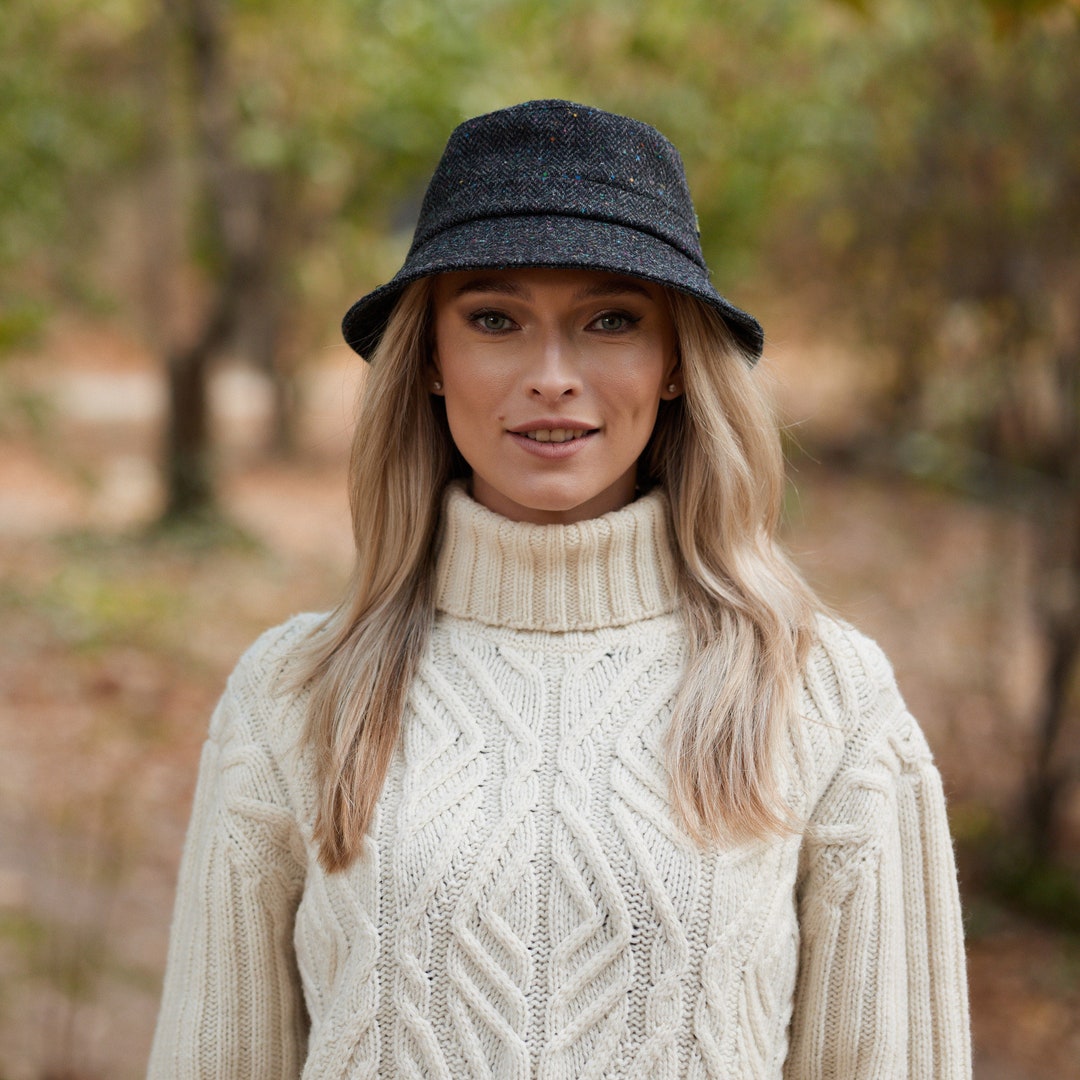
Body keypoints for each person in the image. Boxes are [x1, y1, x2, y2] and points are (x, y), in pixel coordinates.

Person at [148, 100, 971, 1079]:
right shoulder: (292, 694)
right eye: (495, 320)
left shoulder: (825, 696)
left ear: (673, 363)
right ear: (433, 363)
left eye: (610, 320)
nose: (552, 377)